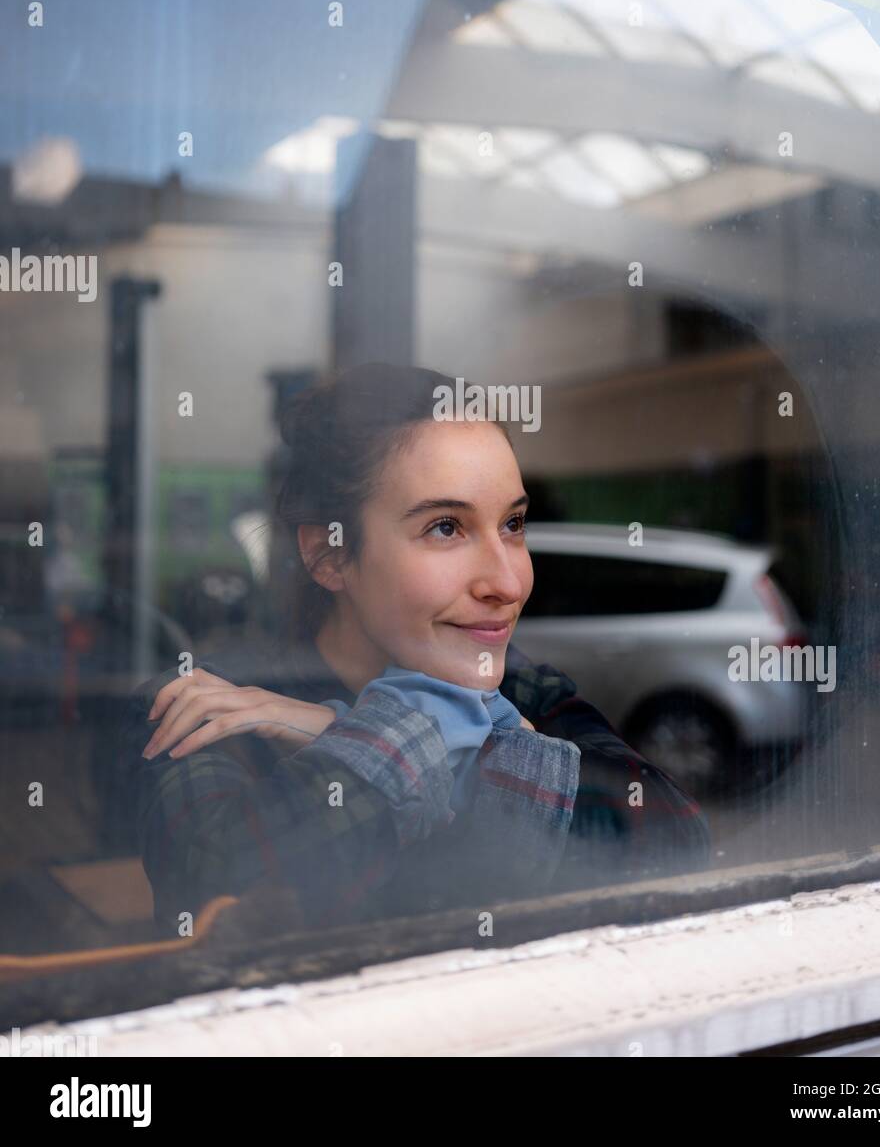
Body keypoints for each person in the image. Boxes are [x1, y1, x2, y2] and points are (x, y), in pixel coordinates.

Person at [119, 362, 711, 938]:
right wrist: (478, 736)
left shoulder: (521, 684)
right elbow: (216, 884)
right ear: (329, 554)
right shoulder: (208, 702)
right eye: (445, 528)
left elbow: (676, 838)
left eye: (512, 524)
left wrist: (343, 729)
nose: (506, 583)